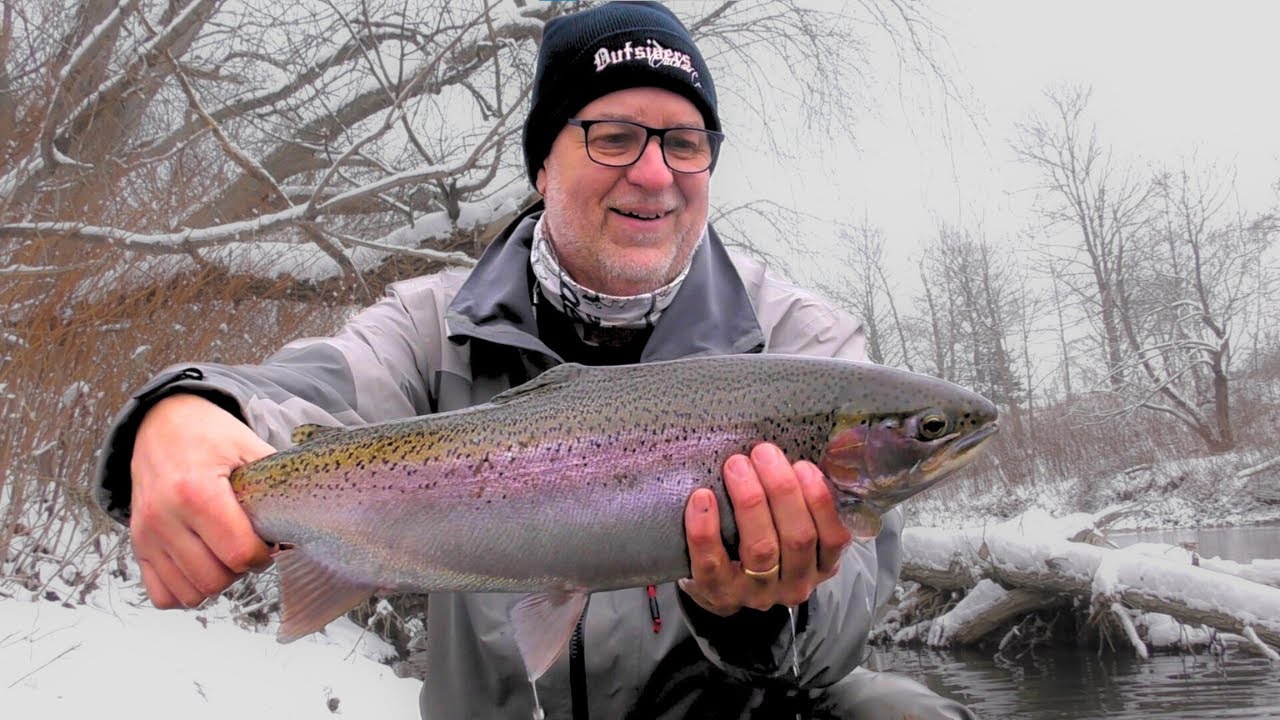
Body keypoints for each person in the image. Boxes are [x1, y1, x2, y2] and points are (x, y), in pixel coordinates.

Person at [93, 3, 975, 719]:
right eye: (613, 136)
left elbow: (845, 627)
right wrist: (187, 413)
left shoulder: (799, 342)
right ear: (543, 165)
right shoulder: (432, 325)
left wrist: (758, 616)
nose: (655, 173)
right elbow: (303, 390)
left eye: (685, 142)